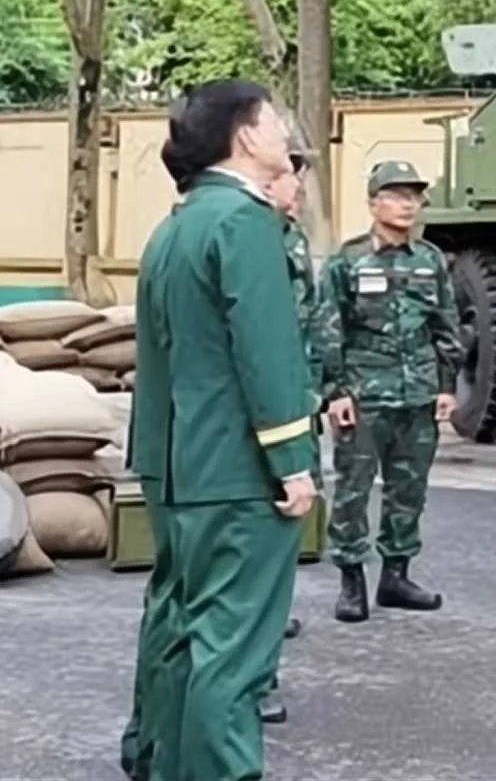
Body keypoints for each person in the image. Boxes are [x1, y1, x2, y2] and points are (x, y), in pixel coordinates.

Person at [117, 79, 319, 781]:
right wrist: (293, 461)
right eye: (273, 121)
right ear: (244, 136)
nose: (282, 134)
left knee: (177, 629)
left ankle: (156, 760)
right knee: (233, 653)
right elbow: (266, 353)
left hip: (177, 467)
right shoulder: (244, 222)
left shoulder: (177, 226)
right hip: (235, 472)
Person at [315, 158, 460, 622]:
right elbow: (327, 329)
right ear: (374, 202)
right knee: (354, 490)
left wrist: (447, 384)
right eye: (396, 195)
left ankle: (396, 576)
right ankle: (351, 580)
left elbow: (447, 326)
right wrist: (335, 392)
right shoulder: (348, 260)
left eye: (413, 196)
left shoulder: (431, 260)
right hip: (364, 397)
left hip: (417, 395)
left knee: (409, 490)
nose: (406, 204)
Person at [257, 146, 329, 725]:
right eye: (287, 173)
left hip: (297, 405)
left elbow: (309, 326)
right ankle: (249, 684)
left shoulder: (293, 238)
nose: (297, 183)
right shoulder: (252, 241)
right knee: (254, 549)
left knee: (283, 541)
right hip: (267, 419)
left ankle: (265, 646)